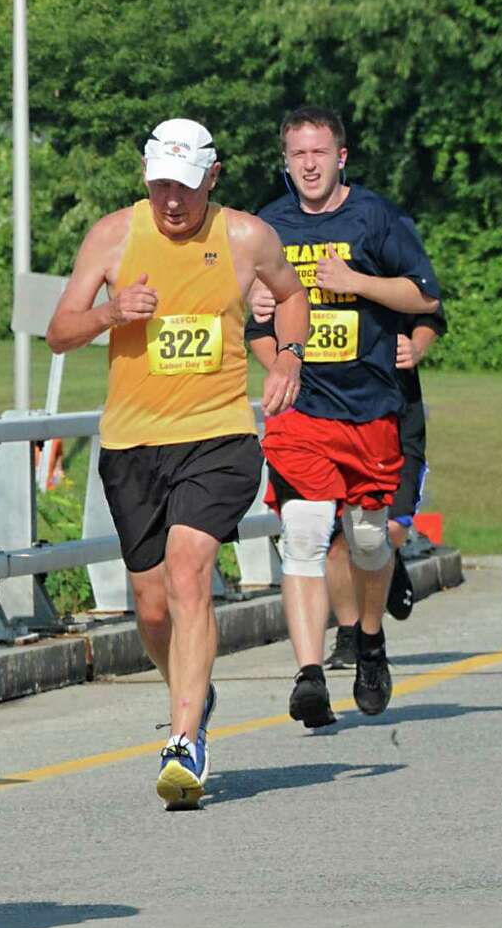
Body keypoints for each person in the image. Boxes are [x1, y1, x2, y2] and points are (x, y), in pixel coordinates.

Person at [47, 119, 309, 809]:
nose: (172, 202)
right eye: (161, 185)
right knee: (152, 603)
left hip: (217, 436)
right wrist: (110, 312)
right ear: (146, 179)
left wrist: (288, 356)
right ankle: (189, 686)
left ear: (211, 179)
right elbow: (58, 330)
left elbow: (292, 295)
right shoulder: (113, 236)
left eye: (186, 188)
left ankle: (185, 737)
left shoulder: (247, 236)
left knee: (190, 564)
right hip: (133, 444)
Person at [247, 107, 441, 728]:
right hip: (302, 408)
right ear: (286, 160)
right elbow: (253, 323)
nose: (309, 164)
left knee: (365, 537)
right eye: (298, 154)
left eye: (320, 153)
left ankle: (372, 644)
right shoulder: (266, 225)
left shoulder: (375, 217)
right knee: (303, 532)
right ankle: (307, 675)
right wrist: (279, 362)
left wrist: (356, 281)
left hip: (371, 407)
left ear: (341, 158)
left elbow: (425, 296)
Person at [325, 306, 446, 667]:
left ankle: (386, 560)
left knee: (389, 529)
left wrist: (417, 346)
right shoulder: (304, 260)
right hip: (332, 417)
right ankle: (350, 635)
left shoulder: (388, 257)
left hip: (396, 417)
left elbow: (430, 311)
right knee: (337, 541)